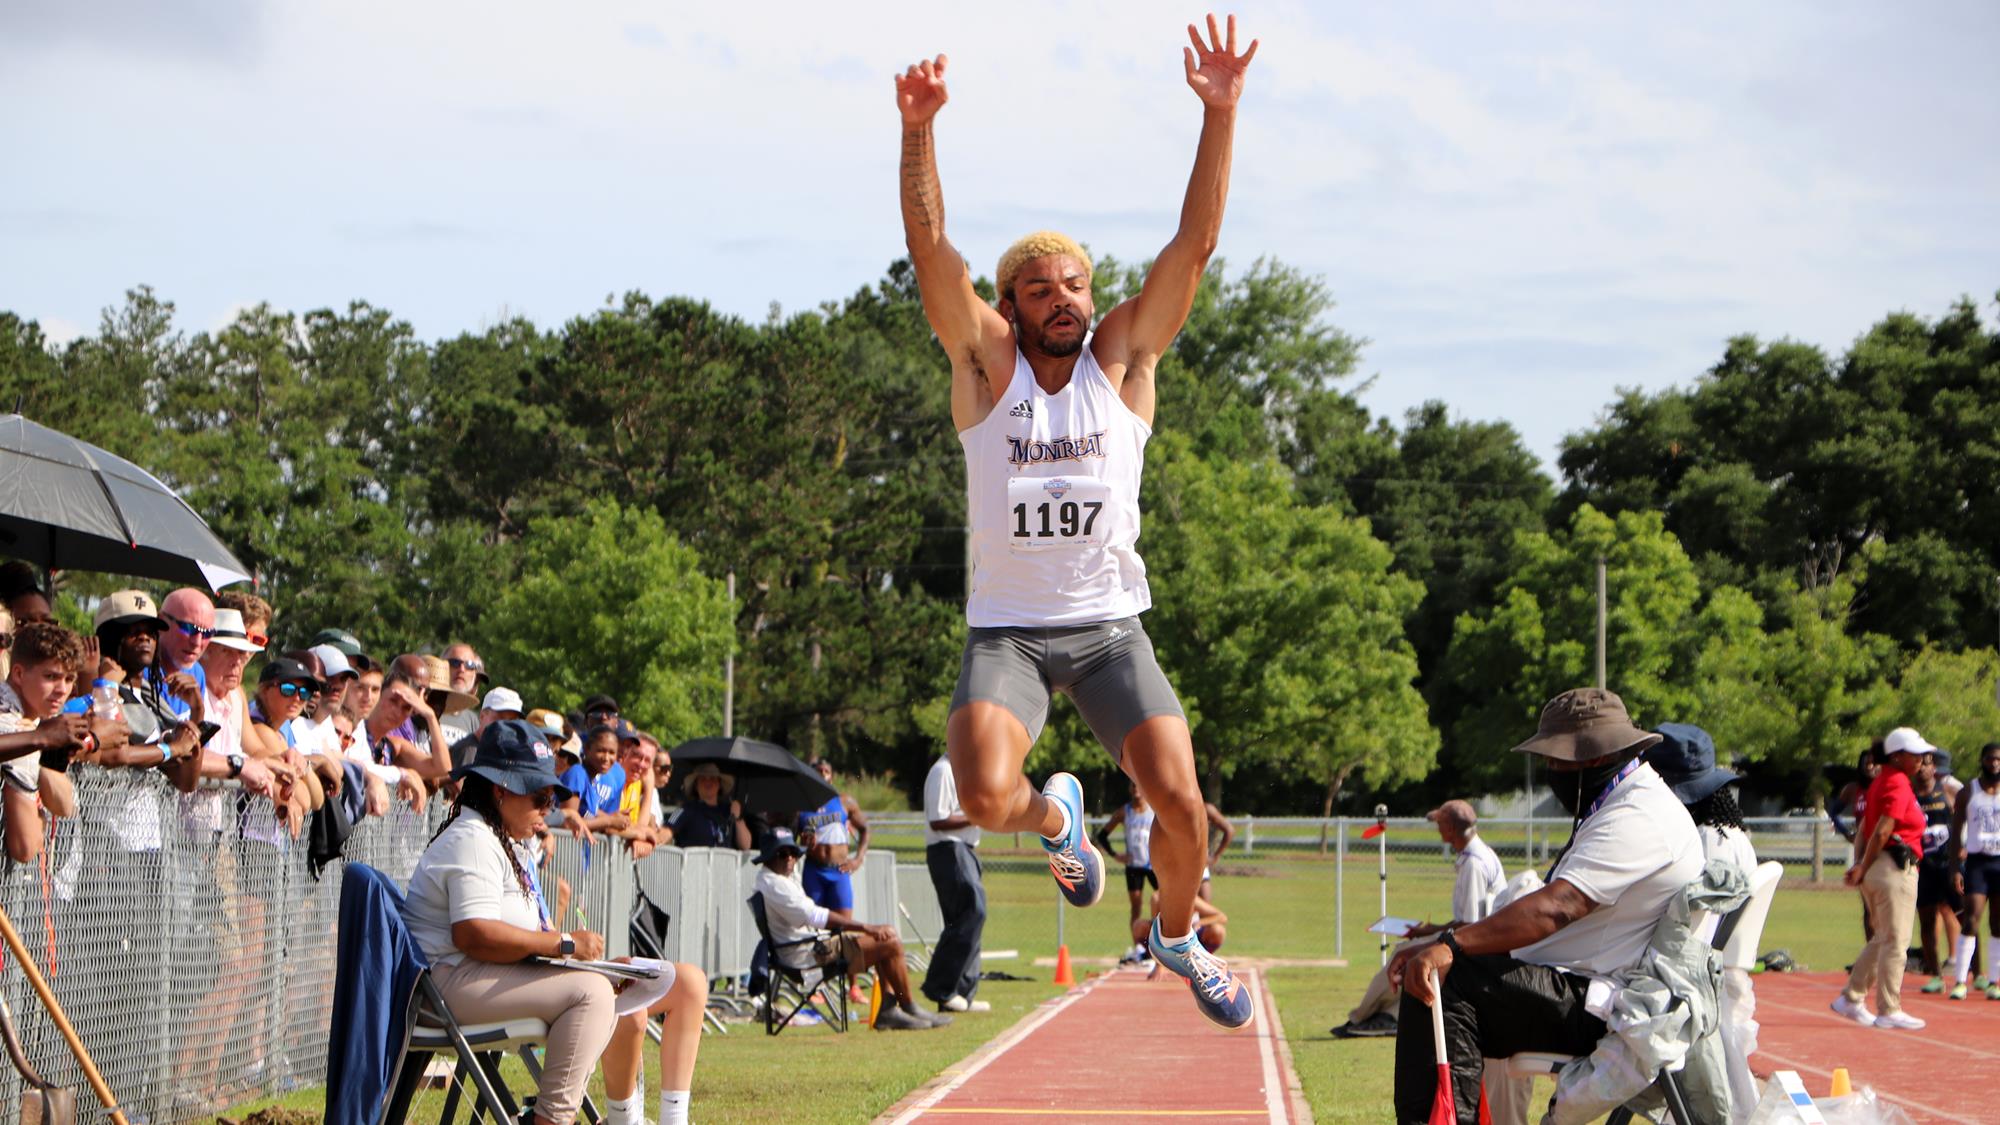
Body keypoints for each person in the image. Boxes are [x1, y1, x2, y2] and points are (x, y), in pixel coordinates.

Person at [894, 13, 1260, 1027]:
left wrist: (1218, 114)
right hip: (1006, 631)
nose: (1064, 298)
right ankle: (1056, 817)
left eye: (1076, 284)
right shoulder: (984, 371)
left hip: (1107, 631)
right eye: (1040, 288)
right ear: (1008, 307)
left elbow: (1196, 242)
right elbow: (928, 247)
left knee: (1182, 807)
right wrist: (918, 130)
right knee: (975, 796)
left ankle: (1179, 938)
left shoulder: (1126, 365)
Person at [1386, 689, 1702, 1124]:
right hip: (1592, 988)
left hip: (1599, 1003)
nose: (1551, 769)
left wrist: (1450, 946)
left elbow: (1559, 906)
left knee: (1446, 980)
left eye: (1556, 760)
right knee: (1439, 969)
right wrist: (1444, 945)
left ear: (1591, 758)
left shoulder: (1639, 815)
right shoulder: (1626, 801)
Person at [401, 719, 613, 1125]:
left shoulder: (498, 838)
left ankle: (605, 1115)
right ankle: (549, 1119)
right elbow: (474, 935)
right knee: (590, 995)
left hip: (466, 977)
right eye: (540, 797)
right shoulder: (473, 838)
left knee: (603, 988)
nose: (547, 810)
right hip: (443, 985)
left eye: (552, 799)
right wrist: (565, 945)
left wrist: (578, 959)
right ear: (501, 790)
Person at [1335, 799, 1507, 1039]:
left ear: (1450, 828)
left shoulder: (1474, 865)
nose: (1437, 828)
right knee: (1408, 953)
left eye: (1439, 823)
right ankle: (1389, 1017)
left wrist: (1426, 933)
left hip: (1475, 944)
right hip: (1476, 939)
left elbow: (1469, 923)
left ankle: (1360, 1017)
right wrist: (1426, 931)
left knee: (1402, 954)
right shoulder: (1477, 854)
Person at [751, 828, 945, 1031]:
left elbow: (796, 883)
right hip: (807, 956)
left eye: (793, 852)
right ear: (768, 857)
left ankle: (890, 1010)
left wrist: (803, 850)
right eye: (783, 854)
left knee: (888, 934)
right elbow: (815, 916)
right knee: (890, 942)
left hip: (809, 947)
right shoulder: (774, 884)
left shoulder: (775, 877)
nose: (790, 858)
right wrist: (866, 927)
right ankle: (907, 1007)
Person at [1833, 726, 1931, 1031]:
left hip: (1879, 867)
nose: (1921, 760)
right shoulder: (1896, 784)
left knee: (1882, 937)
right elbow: (1884, 829)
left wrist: (1862, 864)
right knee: (1896, 941)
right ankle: (1889, 1008)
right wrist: (1862, 865)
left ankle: (1851, 997)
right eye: (1915, 755)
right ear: (1898, 756)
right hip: (1892, 868)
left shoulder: (1882, 782)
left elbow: (1866, 828)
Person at [0, 622, 98, 862]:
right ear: (19, 674)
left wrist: (42, 747)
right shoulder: (11, 724)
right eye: (51, 677)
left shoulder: (37, 724)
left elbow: (65, 806)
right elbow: (25, 847)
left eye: (69, 679)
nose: (61, 690)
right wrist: (39, 820)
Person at [921, 753, 989, 1014]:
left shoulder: (964, 773)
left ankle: (963, 992)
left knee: (972, 917)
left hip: (965, 849)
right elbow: (938, 820)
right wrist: (977, 817)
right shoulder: (943, 771)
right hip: (948, 848)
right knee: (972, 911)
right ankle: (942, 987)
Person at [1913, 748, 1967, 998]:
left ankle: (1973, 974)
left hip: (1949, 864)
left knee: (1966, 918)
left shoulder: (1948, 790)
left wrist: (1966, 845)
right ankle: (1935, 975)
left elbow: (1972, 813)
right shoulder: (1909, 793)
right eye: (1919, 763)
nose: (1923, 768)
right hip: (1923, 866)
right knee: (1926, 920)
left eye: (1927, 763)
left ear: (1934, 767)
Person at [1949, 741, 2000, 999]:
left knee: (1998, 923)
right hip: (1978, 862)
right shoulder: (1969, 791)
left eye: (1999, 759)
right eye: (1990, 758)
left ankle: (1994, 981)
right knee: (1971, 918)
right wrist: (1956, 868)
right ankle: (1960, 980)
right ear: (1982, 760)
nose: (1995, 763)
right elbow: (1956, 832)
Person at [797, 757, 872, 914]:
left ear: (832, 777)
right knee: (814, 926)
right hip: (814, 870)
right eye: (819, 771)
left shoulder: (844, 802)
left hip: (839, 871)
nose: (823, 774)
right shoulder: (801, 805)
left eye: (826, 771)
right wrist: (803, 844)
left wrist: (858, 859)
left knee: (844, 926)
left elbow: (865, 829)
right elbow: (791, 840)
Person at [1094, 786, 1159, 964]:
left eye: (1140, 786)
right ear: (1130, 789)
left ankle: (1161, 944)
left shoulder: (1154, 809)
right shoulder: (1125, 812)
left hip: (1154, 864)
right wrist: (1116, 855)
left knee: (1162, 902)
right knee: (1136, 906)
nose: (1137, 789)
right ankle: (1139, 946)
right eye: (1133, 786)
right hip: (1134, 866)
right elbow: (1102, 835)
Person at [1832, 743, 1885, 941]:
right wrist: (1847, 833)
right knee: (1868, 907)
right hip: (1864, 851)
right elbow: (1834, 812)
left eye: (1873, 763)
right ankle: (1871, 948)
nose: (1870, 767)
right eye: (1866, 763)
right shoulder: (1853, 789)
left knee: (1885, 906)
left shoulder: (1885, 787)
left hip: (1884, 850)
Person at [668, 763, 751, 850]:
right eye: (703, 779)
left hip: (725, 862)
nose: (708, 782)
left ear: (719, 784)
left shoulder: (729, 810)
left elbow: (746, 846)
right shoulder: (685, 810)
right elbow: (667, 831)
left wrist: (737, 818)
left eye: (712, 778)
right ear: (696, 785)